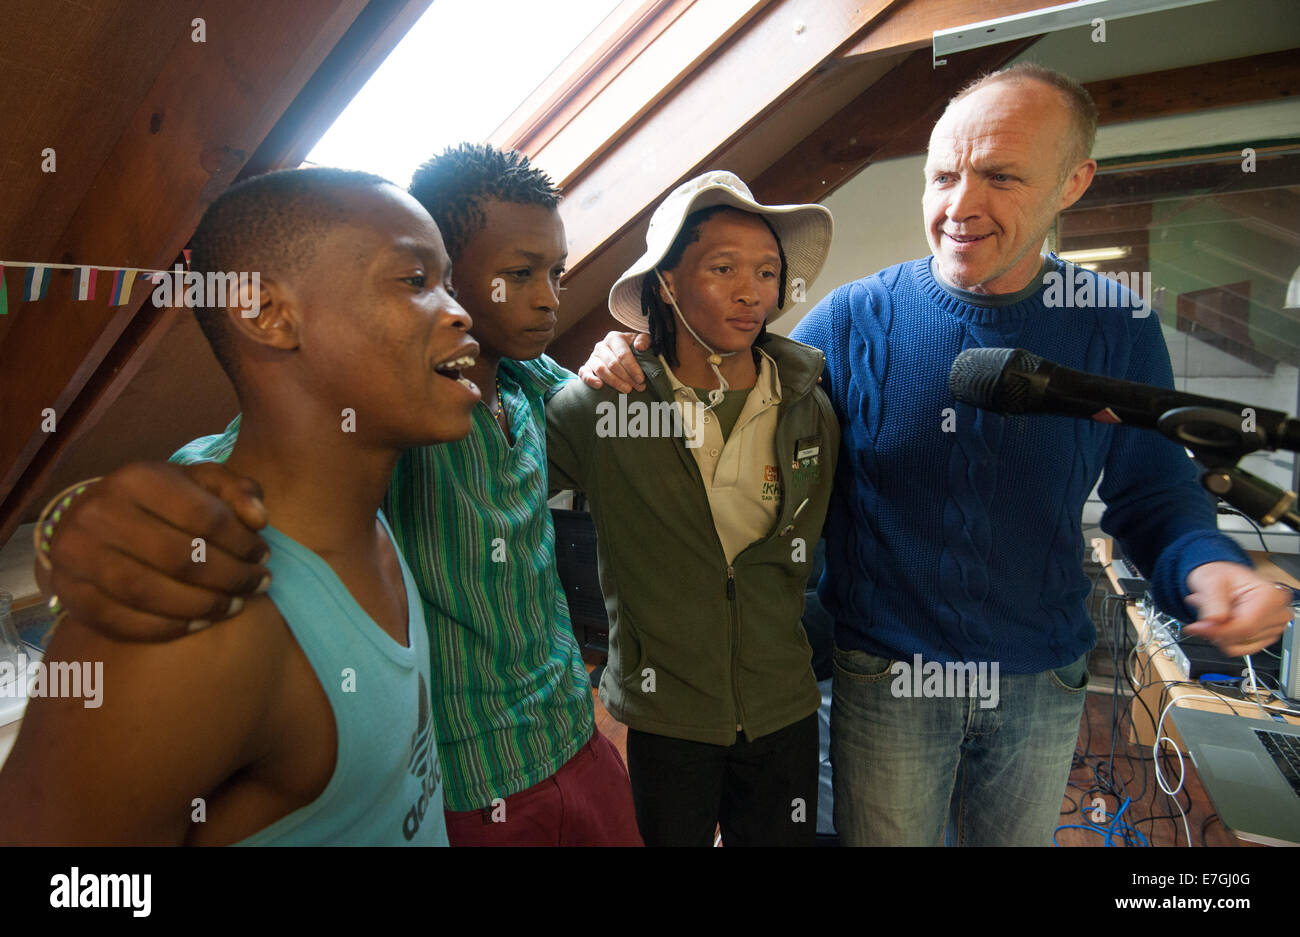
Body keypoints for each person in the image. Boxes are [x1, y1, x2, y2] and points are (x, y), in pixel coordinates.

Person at [578, 64, 1294, 846]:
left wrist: (1208, 566)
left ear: (1072, 182)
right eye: (943, 175)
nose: (960, 206)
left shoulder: (1115, 326)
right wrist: (631, 350)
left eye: (1001, 177)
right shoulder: (852, 320)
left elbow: (1156, 495)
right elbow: (724, 391)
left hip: (1041, 681)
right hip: (884, 679)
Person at [36, 145, 642, 846]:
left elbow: (591, 410)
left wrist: (610, 362)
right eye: (517, 273)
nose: (547, 295)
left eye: (556, 273)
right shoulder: (395, 422)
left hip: (571, 730)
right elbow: (251, 450)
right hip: (476, 783)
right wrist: (78, 521)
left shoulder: (530, 385)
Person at [1, 168, 474, 844]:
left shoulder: (364, 522)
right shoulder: (195, 615)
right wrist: (64, 522)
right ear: (266, 314)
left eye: (450, 283)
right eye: (414, 280)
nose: (459, 311)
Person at [546, 172, 838, 845]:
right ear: (668, 283)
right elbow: (508, 477)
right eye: (724, 268)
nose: (751, 291)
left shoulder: (807, 407)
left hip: (782, 706)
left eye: (768, 272)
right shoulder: (603, 406)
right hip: (665, 711)